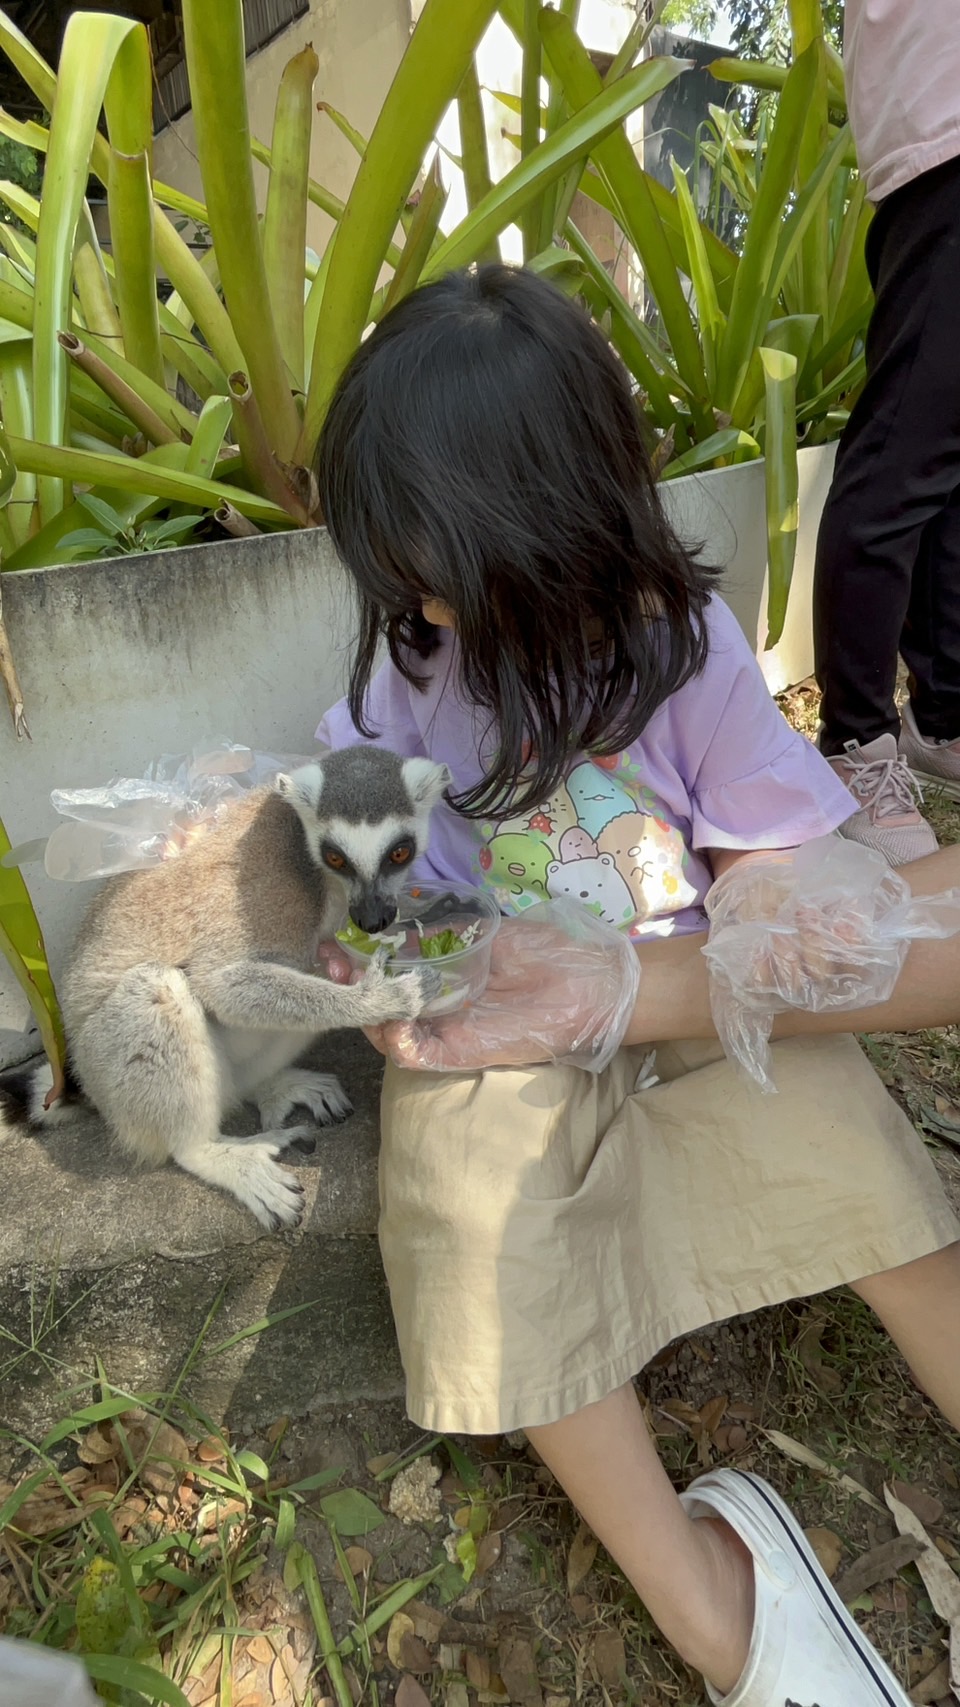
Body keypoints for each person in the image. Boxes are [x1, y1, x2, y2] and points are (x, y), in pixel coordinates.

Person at [314, 264, 960, 1707]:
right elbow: (377, 868)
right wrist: (377, 928)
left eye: (450, 572)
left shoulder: (682, 654)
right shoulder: (403, 679)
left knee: (858, 1159)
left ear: (571, 532)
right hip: (516, 1017)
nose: (420, 602)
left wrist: (778, 895)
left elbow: (768, 847)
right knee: (473, 1211)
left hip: (678, 989)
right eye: (398, 573)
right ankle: (704, 1592)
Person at [813, 0, 960, 865]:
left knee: (944, 462)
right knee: (904, 455)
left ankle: (940, 719)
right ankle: (853, 746)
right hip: (943, 131)